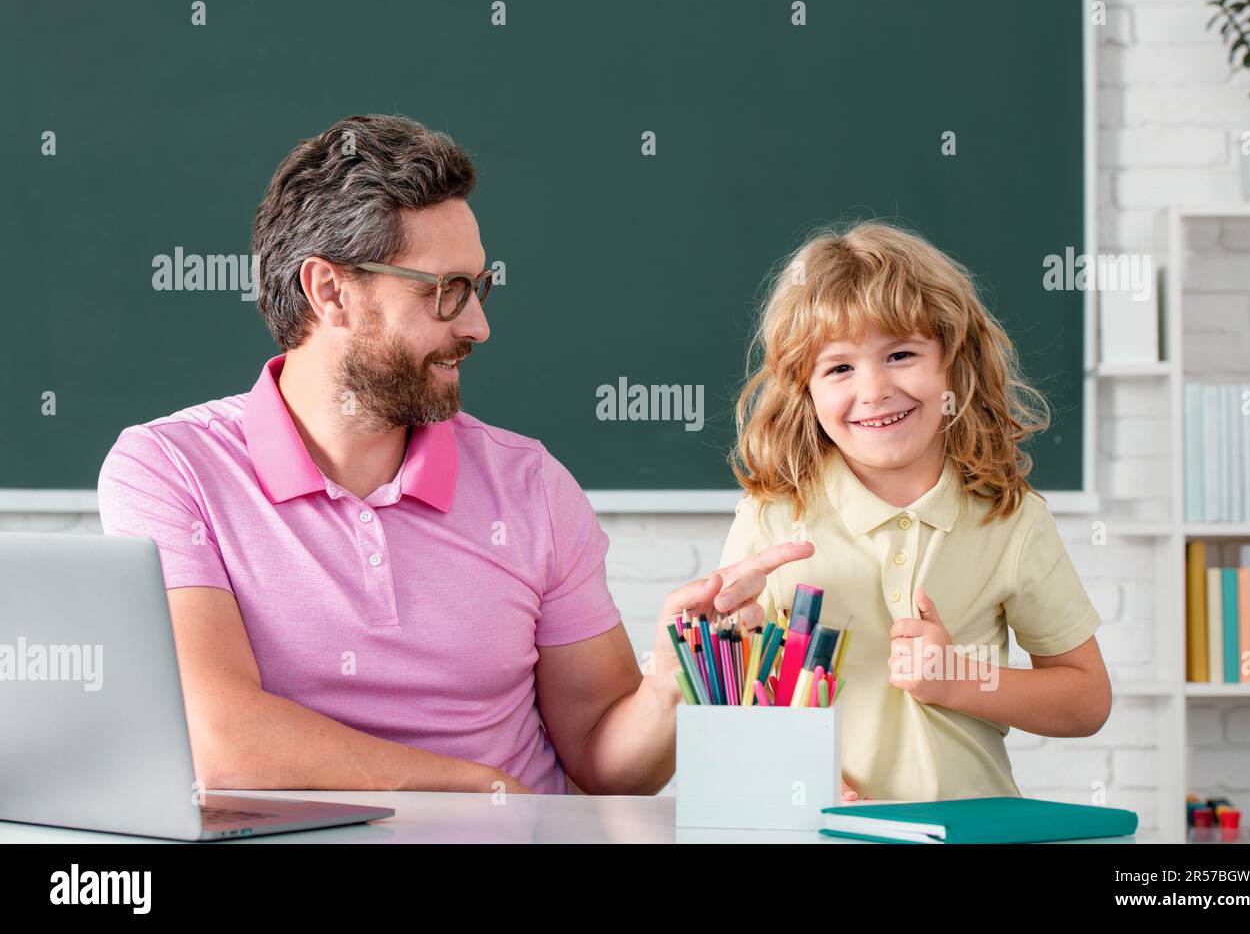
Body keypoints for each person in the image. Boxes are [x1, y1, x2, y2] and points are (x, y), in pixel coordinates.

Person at [97, 113, 807, 796]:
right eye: (447, 292)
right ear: (329, 290)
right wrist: (475, 787)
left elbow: (605, 760)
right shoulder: (169, 471)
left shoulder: (530, 485)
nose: (479, 325)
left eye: (480, 287)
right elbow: (218, 738)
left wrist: (671, 681)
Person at [720, 220, 1111, 801]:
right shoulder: (773, 517)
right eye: (839, 367)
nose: (874, 389)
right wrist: (799, 770)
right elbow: (734, 699)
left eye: (901, 354)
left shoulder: (1010, 518)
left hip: (976, 834)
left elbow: (1086, 701)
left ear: (956, 365)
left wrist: (956, 681)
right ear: (806, 392)